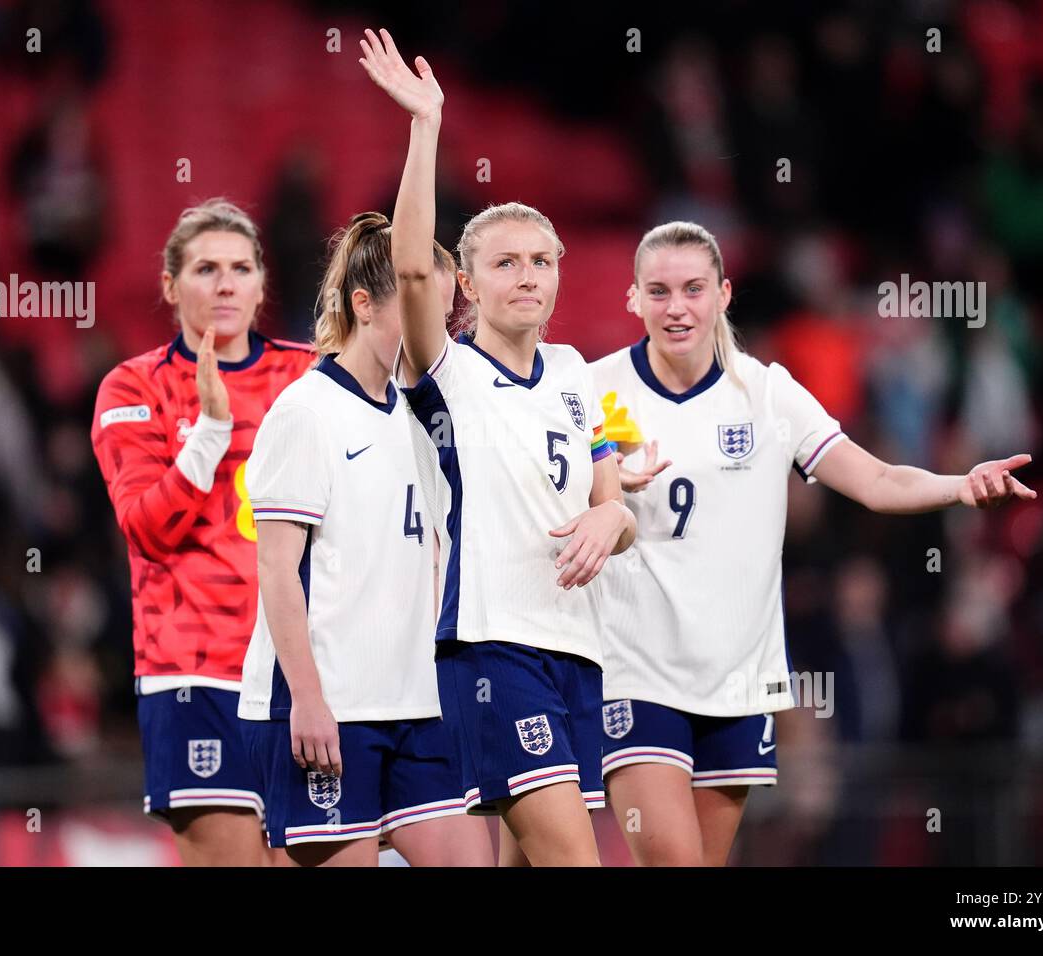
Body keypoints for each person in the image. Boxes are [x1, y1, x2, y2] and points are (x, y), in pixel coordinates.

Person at [593, 220, 1037, 866]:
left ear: (724, 293)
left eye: (693, 288)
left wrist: (959, 487)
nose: (676, 307)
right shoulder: (594, 392)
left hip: (737, 685)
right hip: (635, 677)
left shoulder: (768, 393)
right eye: (658, 292)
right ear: (633, 299)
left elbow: (877, 479)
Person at [360, 28, 636, 867]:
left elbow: (613, 505)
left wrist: (612, 516)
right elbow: (410, 272)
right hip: (490, 645)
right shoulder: (446, 369)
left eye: (543, 260)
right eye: (506, 262)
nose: (529, 275)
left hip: (576, 647)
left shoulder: (577, 372)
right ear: (470, 285)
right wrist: (426, 127)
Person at [238, 212, 494, 866]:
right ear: (363, 304)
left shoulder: (427, 417)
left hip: (416, 701)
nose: (433, 331)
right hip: (331, 706)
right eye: (418, 309)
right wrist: (309, 699)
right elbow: (277, 571)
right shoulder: (307, 413)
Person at [90, 199, 313, 865]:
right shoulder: (134, 386)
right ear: (170, 285)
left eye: (241, 268)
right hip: (195, 674)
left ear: (262, 284)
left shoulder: (309, 377)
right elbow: (146, 531)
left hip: (304, 670)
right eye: (205, 268)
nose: (225, 284)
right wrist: (209, 435)